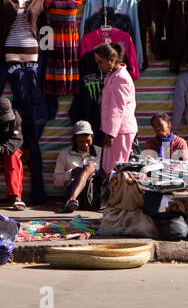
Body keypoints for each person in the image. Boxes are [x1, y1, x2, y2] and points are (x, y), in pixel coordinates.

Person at [96, 43, 137, 173]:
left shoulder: (121, 78)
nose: (99, 66)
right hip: (114, 131)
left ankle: (118, 193)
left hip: (120, 131)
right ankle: (112, 193)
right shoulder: (112, 76)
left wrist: (111, 133)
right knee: (109, 168)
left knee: (117, 169)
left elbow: (118, 107)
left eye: (101, 62)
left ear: (112, 60)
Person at [54, 120, 101, 212]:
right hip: (74, 191)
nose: (85, 145)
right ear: (74, 140)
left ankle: (71, 200)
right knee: (88, 167)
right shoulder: (65, 153)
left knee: (89, 167)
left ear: (92, 137)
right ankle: (73, 198)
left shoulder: (100, 152)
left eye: (88, 141)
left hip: (95, 192)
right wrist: (71, 173)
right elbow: (56, 181)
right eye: (81, 142)